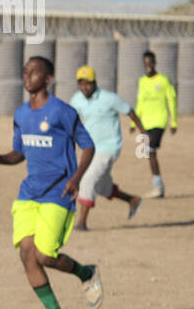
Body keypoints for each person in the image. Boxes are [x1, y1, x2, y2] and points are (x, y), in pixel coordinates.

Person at [0, 56, 102, 309]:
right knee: (26, 254)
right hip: (29, 194)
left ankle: (87, 273)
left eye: (34, 72)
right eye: (25, 71)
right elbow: (19, 153)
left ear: (48, 79)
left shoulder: (62, 112)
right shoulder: (21, 114)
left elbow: (89, 146)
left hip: (59, 192)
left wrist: (76, 179)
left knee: (46, 254)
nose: (27, 76)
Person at [68, 64, 144, 231]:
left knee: (87, 179)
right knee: (102, 186)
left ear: (95, 83)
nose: (84, 87)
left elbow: (130, 112)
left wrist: (143, 133)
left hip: (109, 147)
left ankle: (82, 223)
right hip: (90, 148)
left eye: (87, 83)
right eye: (81, 83)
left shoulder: (109, 98)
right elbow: (70, 119)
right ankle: (132, 200)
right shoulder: (77, 99)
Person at [133, 50, 178, 198]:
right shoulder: (142, 81)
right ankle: (158, 184)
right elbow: (140, 103)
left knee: (150, 149)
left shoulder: (164, 80)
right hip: (146, 122)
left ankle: (158, 186)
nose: (148, 66)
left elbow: (172, 99)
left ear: (155, 63)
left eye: (150, 62)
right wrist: (134, 123)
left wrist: (174, 121)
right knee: (149, 152)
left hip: (160, 120)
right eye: (146, 63)